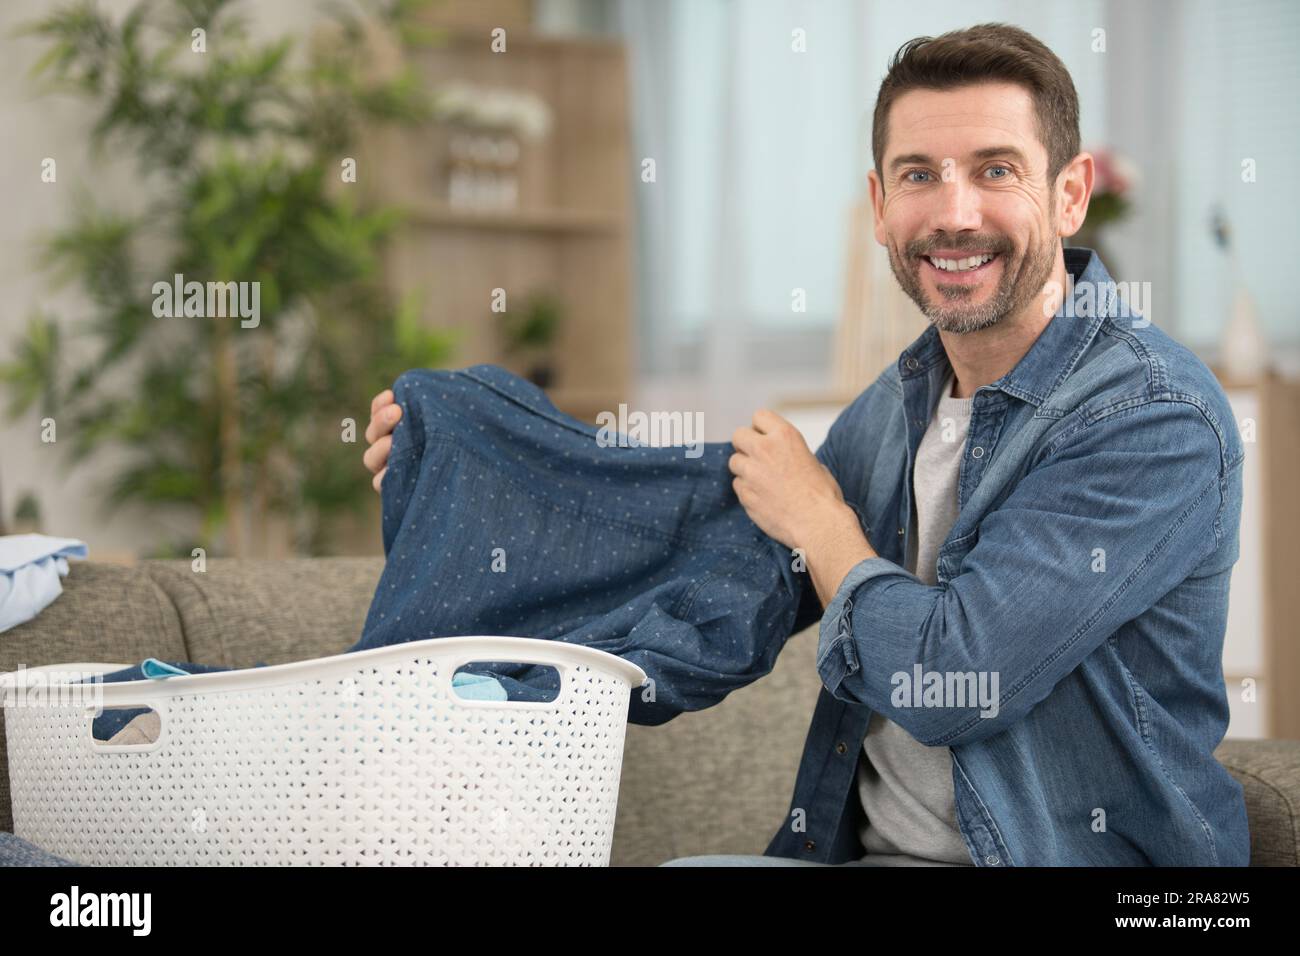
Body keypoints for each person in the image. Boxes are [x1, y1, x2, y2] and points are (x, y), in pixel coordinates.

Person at [363, 23, 1250, 867]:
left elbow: (956, 674)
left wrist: (823, 524)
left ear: (1069, 194)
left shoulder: (1151, 418)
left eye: (995, 170)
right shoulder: (907, 397)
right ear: (878, 205)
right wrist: (466, 474)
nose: (954, 213)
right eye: (917, 176)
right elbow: (715, 554)